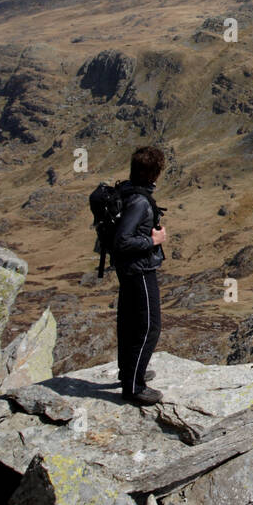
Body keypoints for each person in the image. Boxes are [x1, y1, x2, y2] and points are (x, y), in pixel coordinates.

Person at [112, 146, 167, 405]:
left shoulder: (128, 191)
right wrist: (153, 240)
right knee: (149, 326)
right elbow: (123, 241)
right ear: (154, 173)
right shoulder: (140, 201)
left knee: (130, 322)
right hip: (139, 270)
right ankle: (134, 387)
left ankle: (130, 372)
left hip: (129, 270)